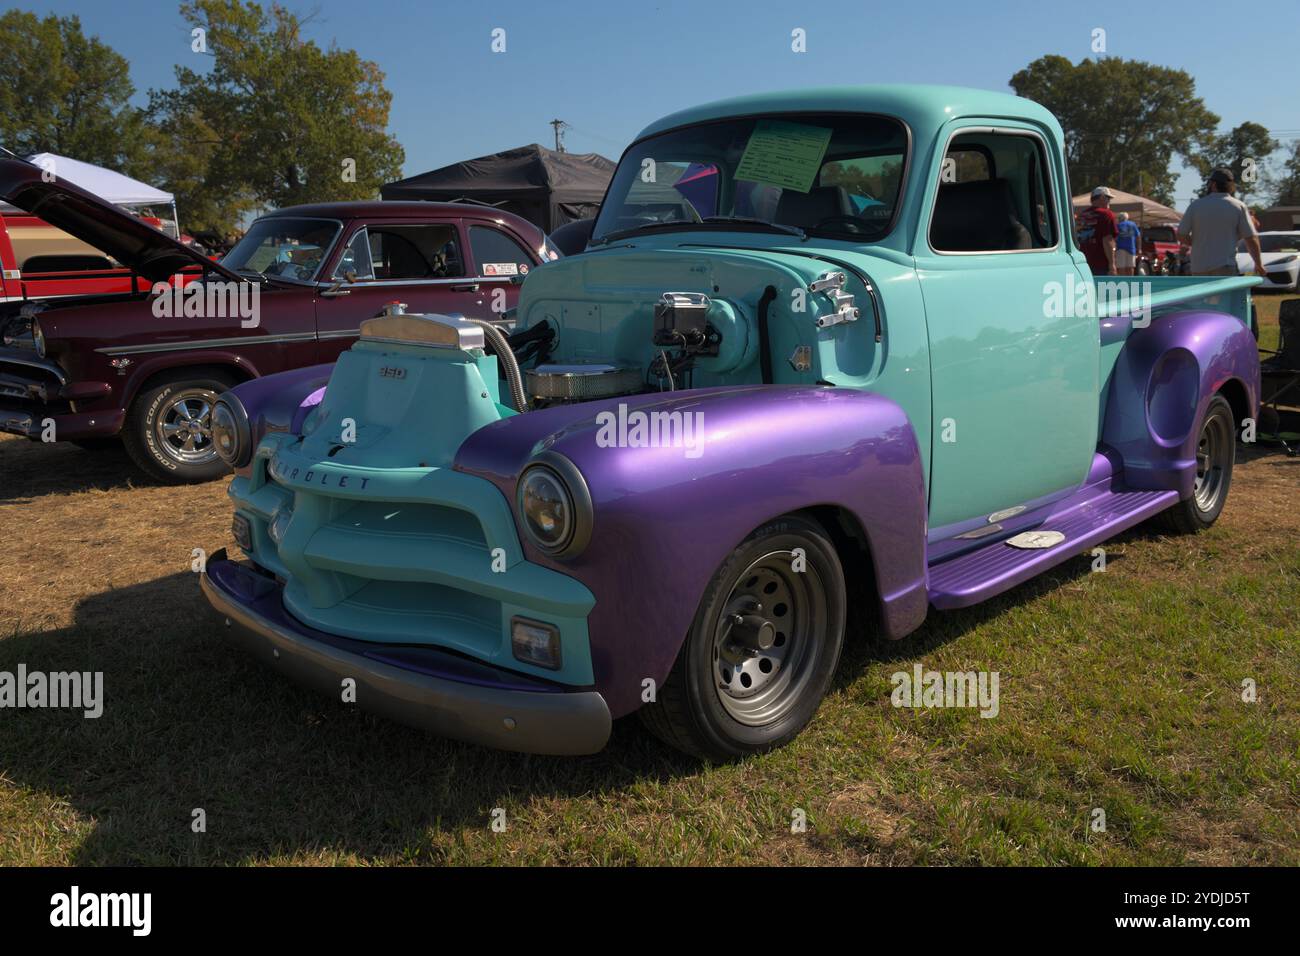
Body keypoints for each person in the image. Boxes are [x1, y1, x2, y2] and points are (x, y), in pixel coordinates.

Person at [1179, 168, 1266, 277]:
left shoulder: (1195, 206)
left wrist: (1196, 243)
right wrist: (1258, 264)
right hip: (1225, 266)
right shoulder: (1238, 206)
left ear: (1213, 184)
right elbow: (1251, 238)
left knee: (1204, 295)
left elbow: (1181, 234)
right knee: (1225, 295)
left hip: (1198, 267)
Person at [1077, 186, 1118, 275]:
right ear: (1102, 197)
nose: (1109, 202)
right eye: (1108, 198)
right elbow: (1107, 240)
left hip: (1082, 263)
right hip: (1100, 264)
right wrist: (1112, 264)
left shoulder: (1082, 215)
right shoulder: (1106, 214)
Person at [1115, 212, 1141, 276]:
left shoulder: (1118, 225)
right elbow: (1138, 237)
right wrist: (1139, 248)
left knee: (1121, 267)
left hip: (1120, 248)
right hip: (1131, 248)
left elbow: (1114, 238)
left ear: (1119, 218)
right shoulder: (1133, 224)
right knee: (1130, 267)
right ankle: (1130, 282)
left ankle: (1123, 282)